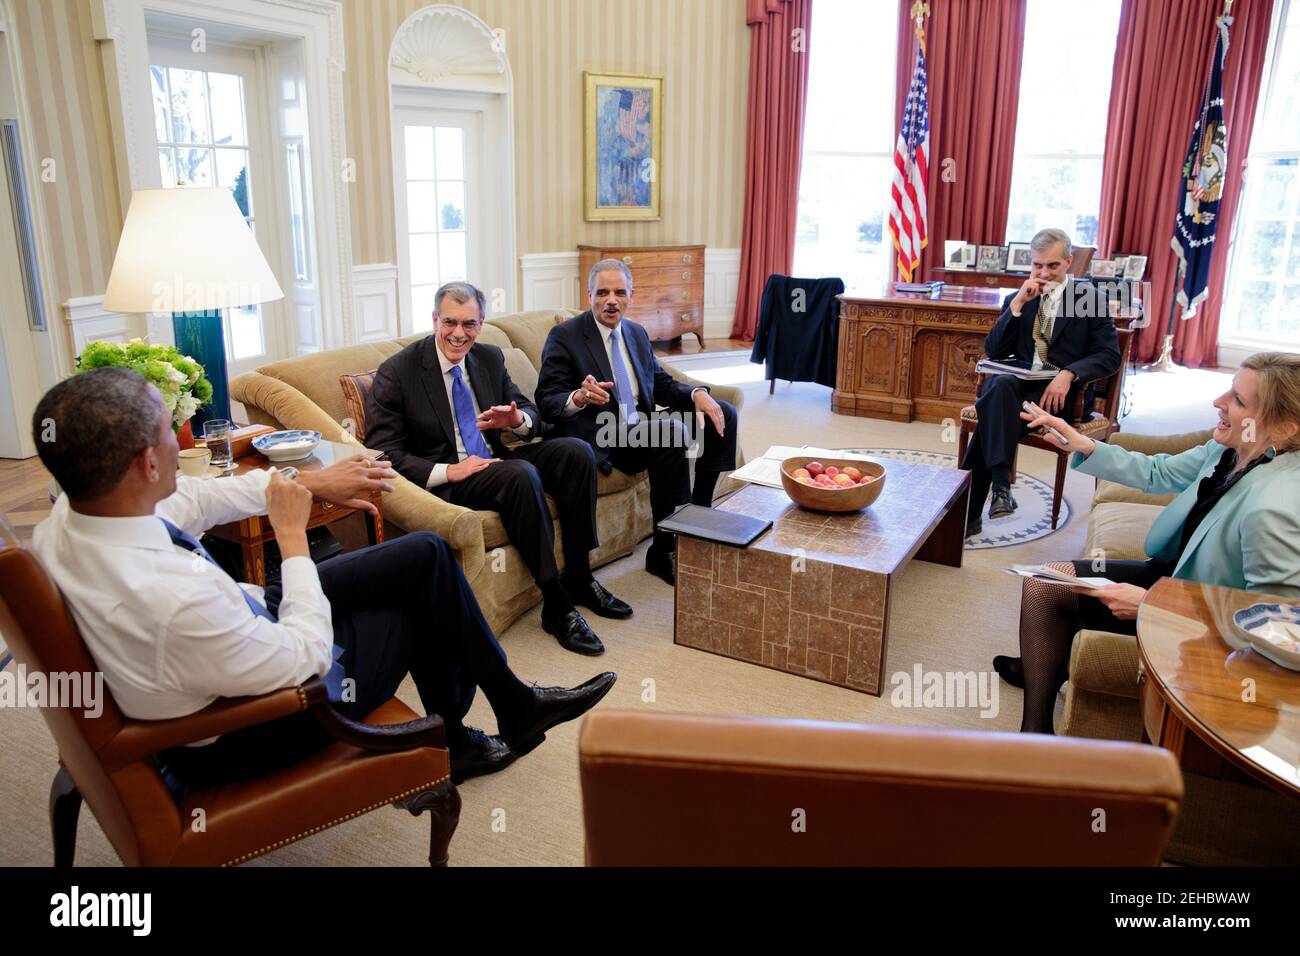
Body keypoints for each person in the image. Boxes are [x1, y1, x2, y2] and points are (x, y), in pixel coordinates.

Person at [31, 367, 617, 788]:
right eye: (169, 432)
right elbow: (305, 658)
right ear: (147, 463)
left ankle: (513, 706)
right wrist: (292, 539)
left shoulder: (73, 517)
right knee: (415, 601)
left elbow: (202, 498)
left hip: (239, 624)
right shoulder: (171, 596)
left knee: (423, 554)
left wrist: (310, 485)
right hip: (263, 722)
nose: (179, 441)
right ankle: (458, 739)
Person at [995, 352, 1300, 734]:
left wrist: (1151, 607)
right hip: (1172, 577)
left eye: (1238, 400)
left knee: (1046, 589)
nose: (1218, 401)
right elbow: (1158, 471)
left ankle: (1034, 734)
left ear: (1284, 429)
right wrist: (1084, 446)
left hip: (1192, 614)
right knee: (1045, 581)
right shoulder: (1233, 448)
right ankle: (1042, 671)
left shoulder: (1275, 507)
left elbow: (1276, 629)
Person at [364, 281, 629, 657]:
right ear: (435, 320)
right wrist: (445, 471)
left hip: (495, 458)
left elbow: (533, 415)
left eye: (469, 324)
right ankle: (556, 603)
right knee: (520, 474)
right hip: (451, 475)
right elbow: (383, 452)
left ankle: (581, 578)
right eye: (450, 323)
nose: (459, 334)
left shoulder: (488, 359)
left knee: (576, 452)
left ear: (481, 322)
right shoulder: (398, 372)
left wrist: (517, 418)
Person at [535, 259, 738, 585]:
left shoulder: (635, 332)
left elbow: (660, 385)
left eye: (618, 292)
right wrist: (579, 396)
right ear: (589, 295)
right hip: (602, 435)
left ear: (631, 295)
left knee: (721, 412)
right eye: (602, 292)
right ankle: (664, 548)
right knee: (670, 432)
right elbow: (546, 400)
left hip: (641, 427)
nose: (610, 300)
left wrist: (697, 393)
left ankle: (697, 519)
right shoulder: (565, 336)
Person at [961, 228, 1121, 536]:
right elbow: (994, 350)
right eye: (1037, 265)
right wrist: (1017, 306)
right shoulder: (1019, 298)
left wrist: (1069, 373)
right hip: (1018, 391)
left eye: (1052, 266)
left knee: (993, 409)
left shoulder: (1090, 300)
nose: (1043, 273)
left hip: (1060, 398)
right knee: (1001, 387)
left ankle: (974, 509)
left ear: (1068, 262)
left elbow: (1109, 356)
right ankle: (1000, 488)